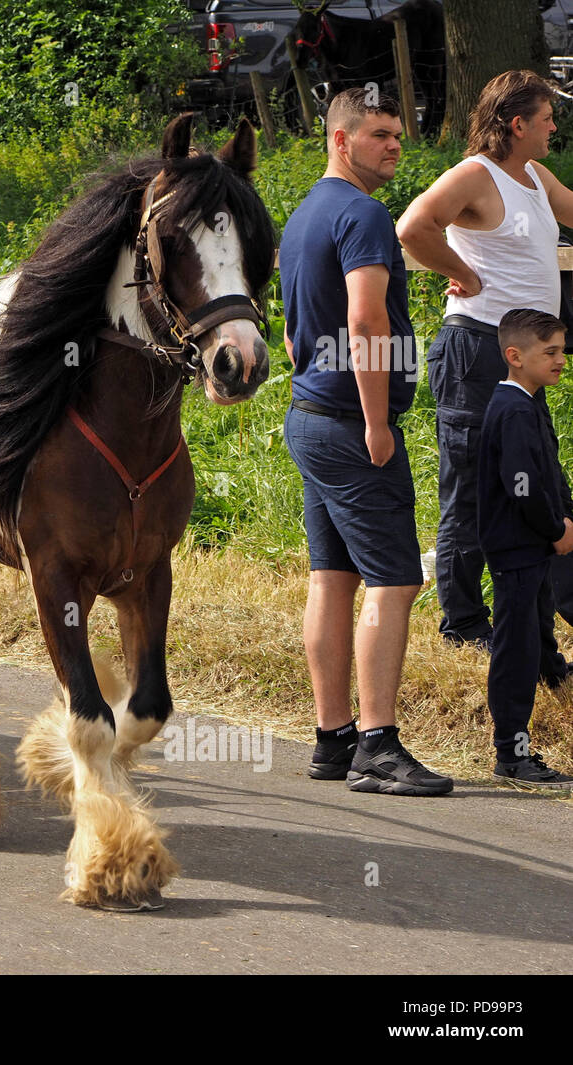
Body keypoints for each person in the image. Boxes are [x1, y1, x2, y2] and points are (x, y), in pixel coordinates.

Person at [279, 86, 453, 796]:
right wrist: (378, 421)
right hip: (353, 425)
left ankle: (333, 736)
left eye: (398, 136)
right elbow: (367, 322)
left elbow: (292, 328)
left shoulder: (304, 214)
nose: (394, 147)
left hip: (309, 418)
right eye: (380, 134)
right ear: (341, 141)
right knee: (397, 579)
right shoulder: (364, 213)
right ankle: (378, 744)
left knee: (332, 577)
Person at [397, 70, 573, 681]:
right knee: (471, 488)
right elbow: (413, 226)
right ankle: (464, 624)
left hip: (527, 359)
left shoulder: (535, 177)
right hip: (477, 349)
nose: (555, 125)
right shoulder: (477, 174)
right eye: (547, 117)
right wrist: (462, 275)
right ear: (517, 123)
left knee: (539, 481)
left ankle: (543, 615)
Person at [476, 309, 573, 788]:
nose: (561, 361)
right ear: (515, 357)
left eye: (561, 350)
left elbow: (550, 472)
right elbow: (522, 486)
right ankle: (511, 753)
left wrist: (566, 514)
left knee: (539, 622)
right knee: (515, 648)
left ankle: (556, 675)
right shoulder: (512, 409)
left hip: (534, 544)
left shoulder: (532, 402)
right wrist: (554, 529)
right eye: (550, 352)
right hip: (516, 547)